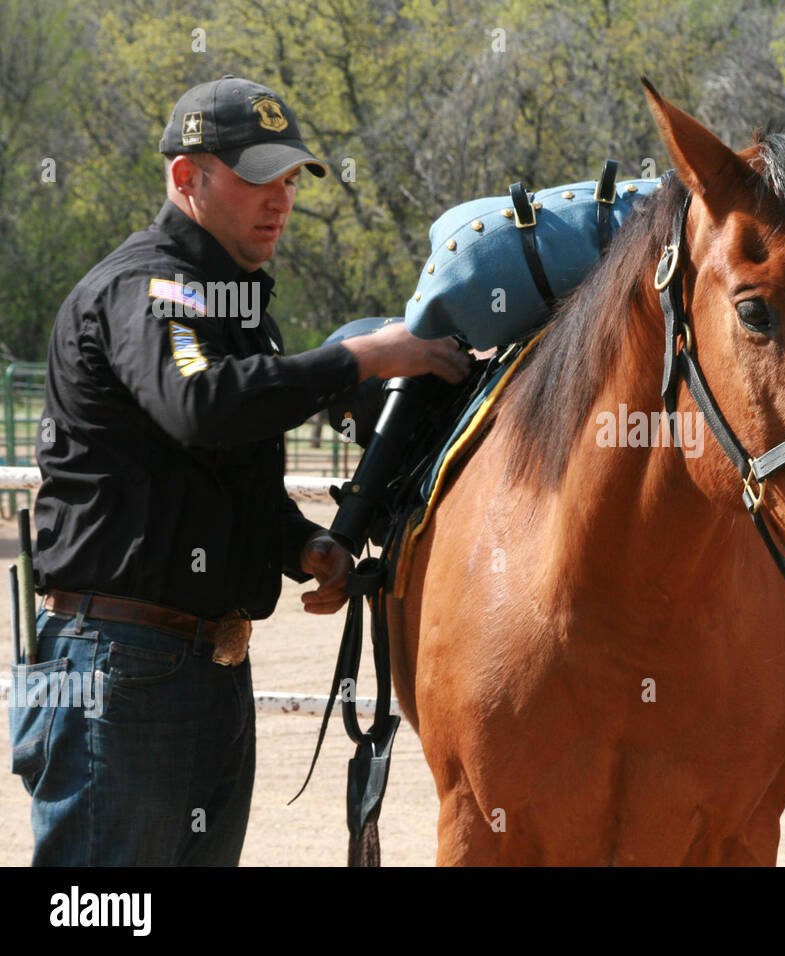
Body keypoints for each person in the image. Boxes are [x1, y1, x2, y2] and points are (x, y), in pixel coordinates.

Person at [10, 76, 469, 865]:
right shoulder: (149, 288)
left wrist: (299, 547)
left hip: (195, 664)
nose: (280, 199)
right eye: (257, 176)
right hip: (113, 665)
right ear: (187, 178)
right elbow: (200, 406)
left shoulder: (233, 306)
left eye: (290, 179)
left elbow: (226, 479)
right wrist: (361, 356)